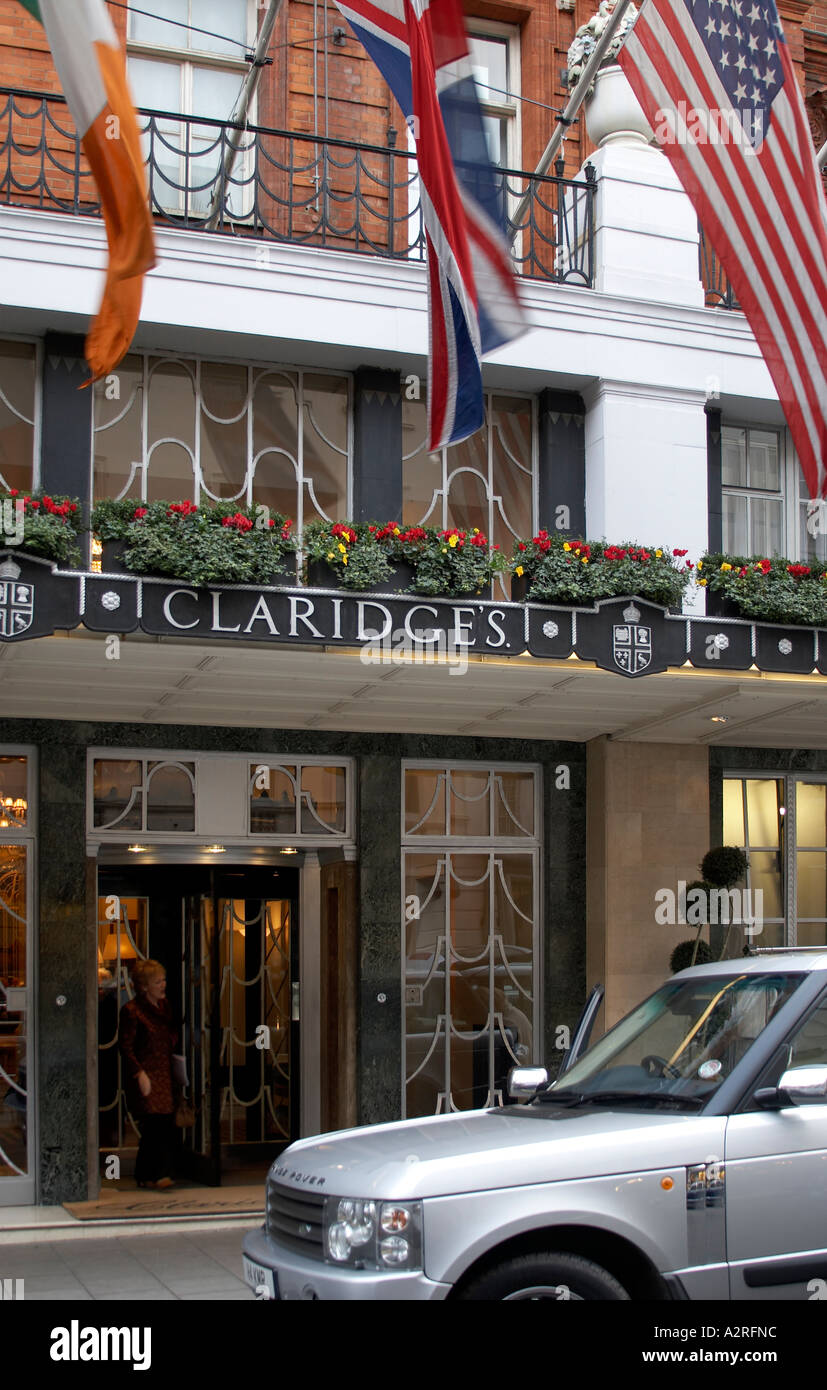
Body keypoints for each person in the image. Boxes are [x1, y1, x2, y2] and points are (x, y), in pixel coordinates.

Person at [119, 959, 178, 1190]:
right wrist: (139, 1073)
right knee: (153, 1125)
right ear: (144, 986)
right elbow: (126, 1047)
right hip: (145, 1076)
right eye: (157, 981)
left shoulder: (165, 1008)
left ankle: (155, 1174)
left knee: (165, 1124)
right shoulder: (132, 1011)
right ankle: (151, 1174)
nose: (163, 985)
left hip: (165, 1073)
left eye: (163, 980)